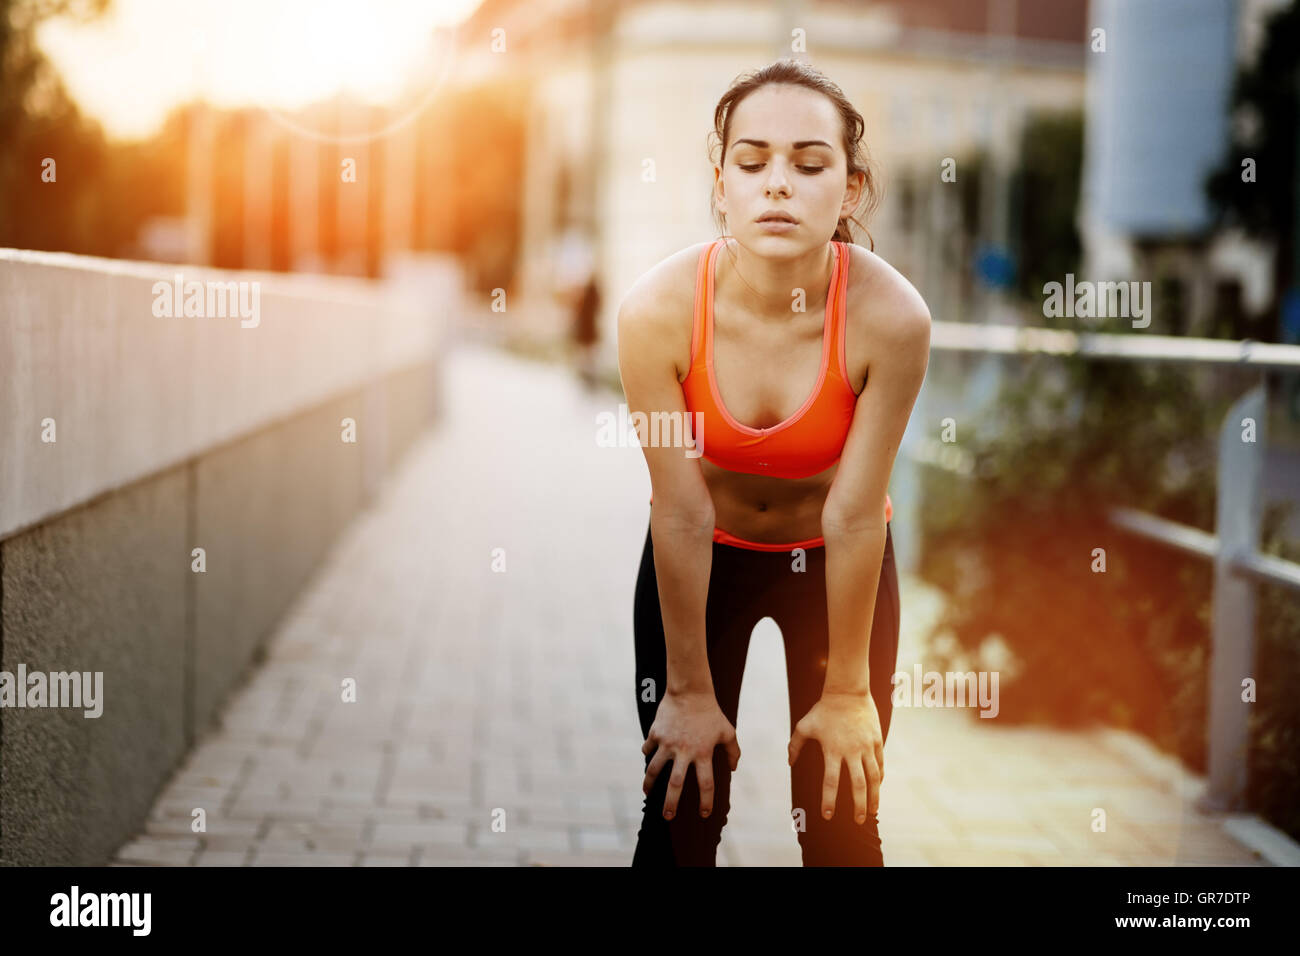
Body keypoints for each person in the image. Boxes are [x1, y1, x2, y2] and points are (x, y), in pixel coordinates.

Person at [616, 59, 931, 866]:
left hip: (834, 569)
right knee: (681, 810)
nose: (777, 185)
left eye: (809, 164)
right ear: (720, 184)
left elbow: (855, 513)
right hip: (701, 559)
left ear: (851, 188)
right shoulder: (655, 312)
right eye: (752, 164)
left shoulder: (891, 318)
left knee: (839, 818)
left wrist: (850, 692)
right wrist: (687, 692)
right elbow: (681, 510)